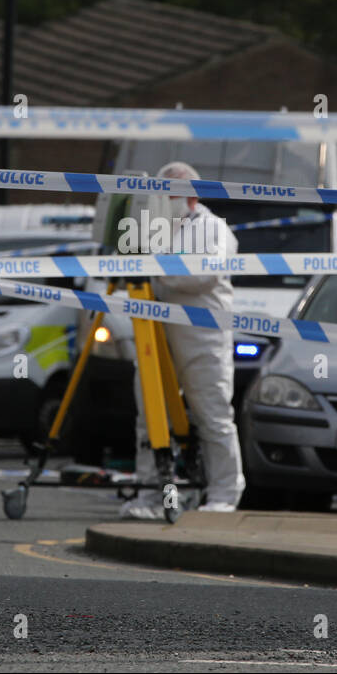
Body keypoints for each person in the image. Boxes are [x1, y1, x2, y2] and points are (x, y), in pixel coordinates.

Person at [120, 162, 246, 519]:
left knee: (213, 413)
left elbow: (201, 274)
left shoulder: (213, 229)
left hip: (202, 333)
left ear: (191, 195)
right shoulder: (157, 228)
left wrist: (154, 263)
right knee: (149, 413)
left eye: (170, 194)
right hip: (157, 330)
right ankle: (150, 492)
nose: (164, 201)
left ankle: (224, 492)